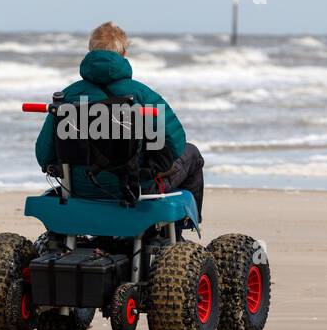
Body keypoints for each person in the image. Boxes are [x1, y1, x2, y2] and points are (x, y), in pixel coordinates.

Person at [35, 22, 206, 219]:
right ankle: (180, 229)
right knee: (191, 153)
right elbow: (173, 145)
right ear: (124, 53)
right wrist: (150, 170)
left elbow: (44, 155)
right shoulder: (142, 95)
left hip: (78, 188)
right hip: (134, 188)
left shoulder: (67, 96)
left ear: (90, 51)